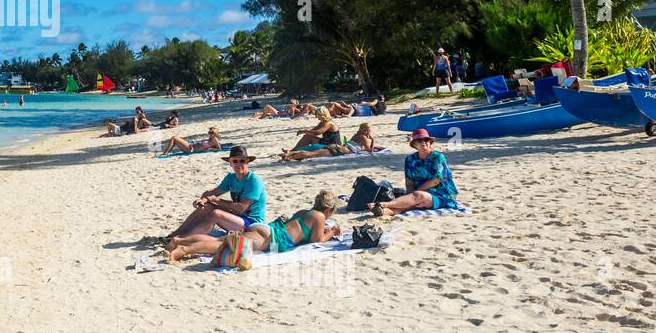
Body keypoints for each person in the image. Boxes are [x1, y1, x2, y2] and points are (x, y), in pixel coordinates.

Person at [167, 190, 343, 265]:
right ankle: (182, 251)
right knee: (224, 245)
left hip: (267, 229)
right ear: (329, 209)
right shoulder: (320, 216)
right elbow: (317, 240)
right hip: (270, 238)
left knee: (221, 239)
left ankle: (179, 241)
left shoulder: (305, 211)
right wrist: (332, 232)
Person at [163, 146, 267, 238]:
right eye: (235, 161)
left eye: (242, 161)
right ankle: (173, 236)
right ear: (230, 163)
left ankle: (181, 239)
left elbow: (241, 207)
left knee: (216, 214)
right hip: (238, 218)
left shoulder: (253, 180)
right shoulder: (231, 178)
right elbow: (213, 193)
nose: (239, 164)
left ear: (247, 162)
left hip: (252, 223)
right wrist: (203, 200)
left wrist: (216, 200)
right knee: (206, 207)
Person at [372, 128, 459, 217]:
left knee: (418, 196)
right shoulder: (410, 159)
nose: (423, 142)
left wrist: (413, 194)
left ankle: (384, 204)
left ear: (430, 142)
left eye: (426, 139)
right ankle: (384, 212)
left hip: (442, 194)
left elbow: (435, 181)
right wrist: (409, 196)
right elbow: (409, 182)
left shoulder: (437, 157)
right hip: (419, 194)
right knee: (412, 202)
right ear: (414, 145)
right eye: (419, 140)